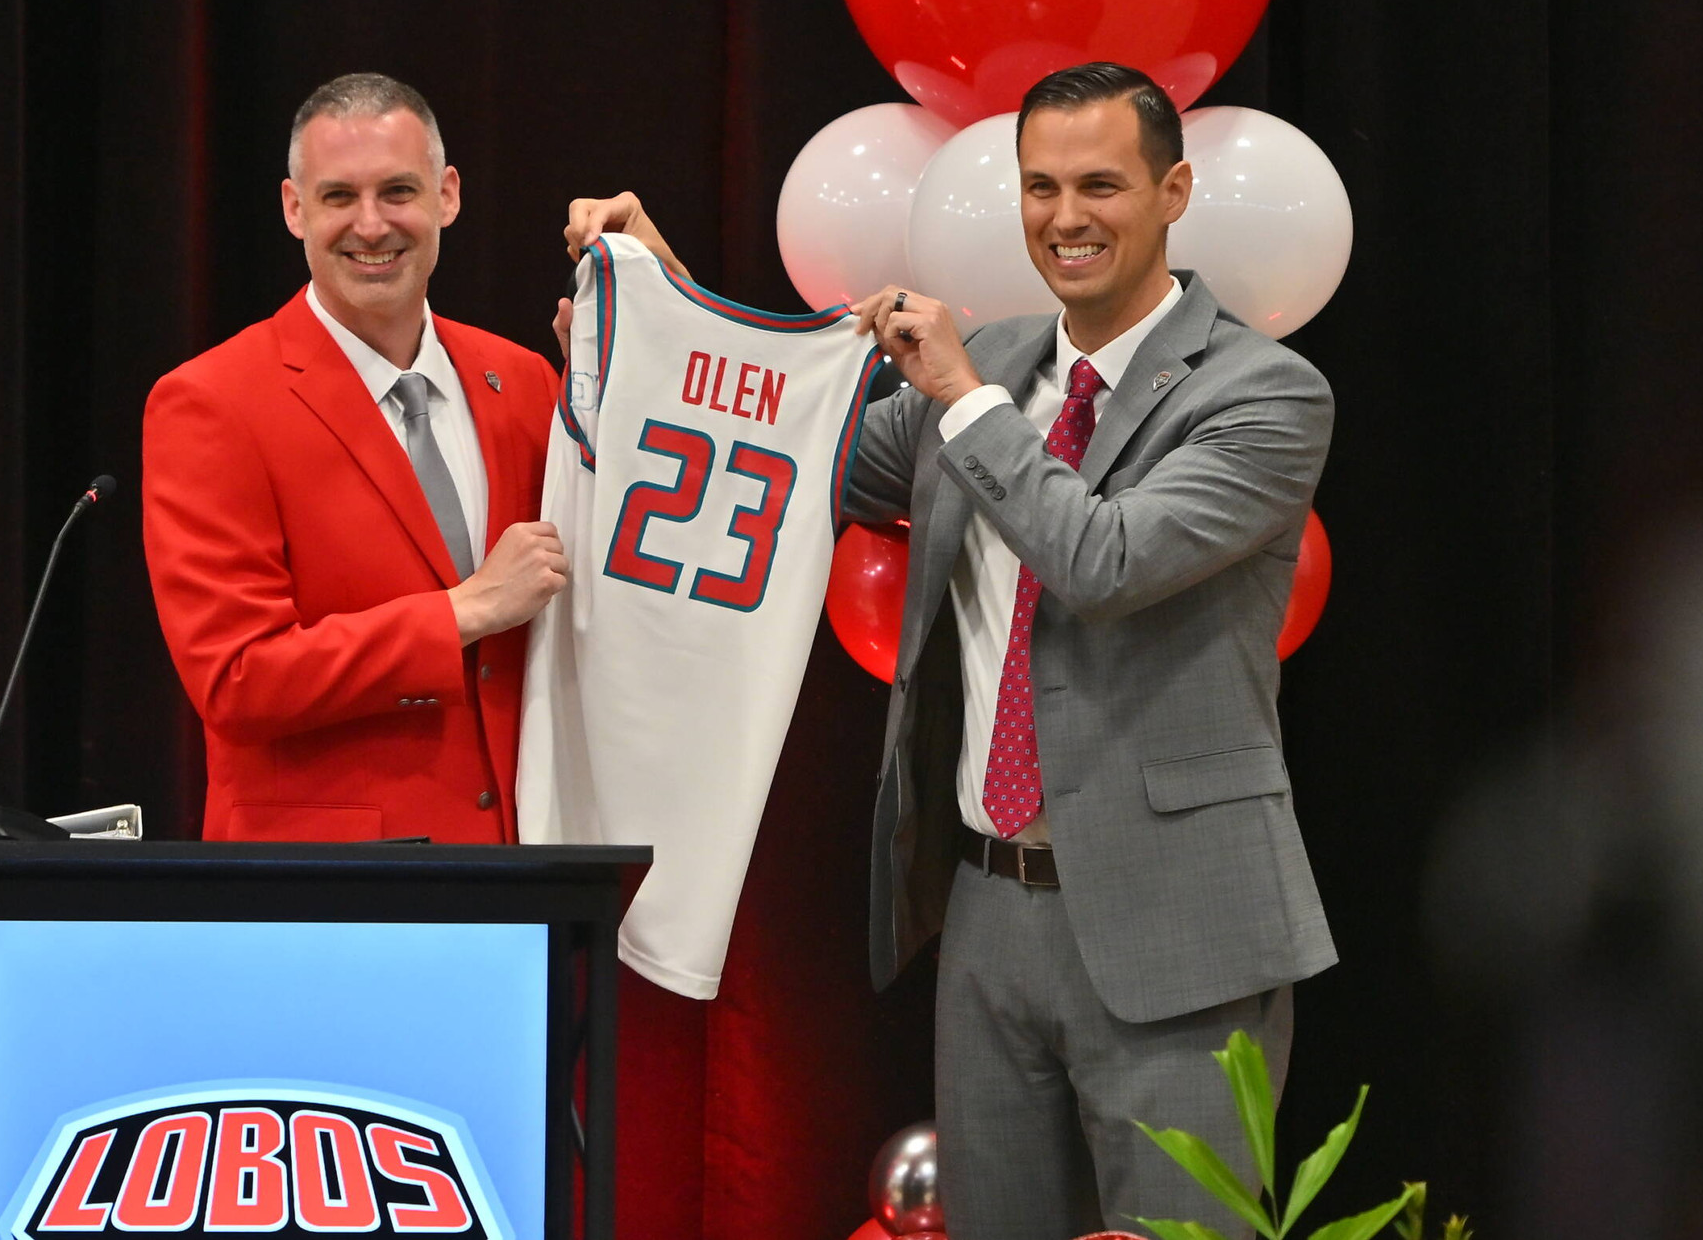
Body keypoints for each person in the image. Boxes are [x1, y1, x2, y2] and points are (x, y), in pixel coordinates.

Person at [566, 61, 1335, 1239]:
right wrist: (663, 304)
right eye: (1039, 187)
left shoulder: (1266, 392)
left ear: (1175, 190)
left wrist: (967, 399)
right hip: (987, 910)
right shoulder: (1002, 364)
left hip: (1182, 927)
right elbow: (796, 441)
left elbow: (1106, 559)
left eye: (1099, 185)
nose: (1064, 218)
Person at [143, 72, 565, 844]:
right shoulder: (211, 401)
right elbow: (237, 677)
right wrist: (460, 613)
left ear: (448, 195)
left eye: (397, 191)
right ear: (293, 208)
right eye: (339, 197)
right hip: (322, 897)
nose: (371, 226)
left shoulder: (528, 381)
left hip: (521, 883)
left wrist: (626, 377)